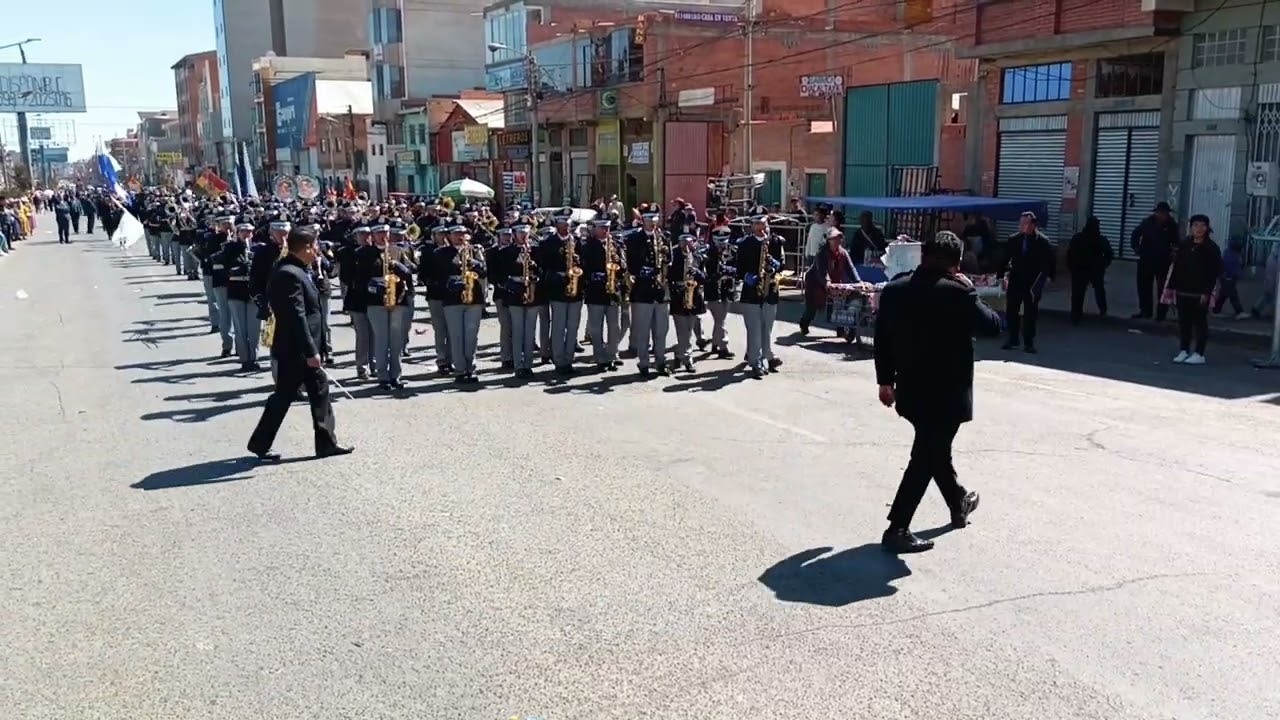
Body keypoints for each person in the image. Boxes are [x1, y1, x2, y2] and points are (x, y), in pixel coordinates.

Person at [873, 231, 1004, 553]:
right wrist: (971, 291)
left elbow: (883, 339)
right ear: (957, 263)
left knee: (934, 450)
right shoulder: (958, 293)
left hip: (911, 392)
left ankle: (959, 502)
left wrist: (885, 381)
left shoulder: (895, 289)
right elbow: (993, 326)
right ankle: (897, 528)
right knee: (925, 457)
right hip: (947, 395)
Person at [247, 230, 353, 462]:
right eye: (314, 246)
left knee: (318, 391)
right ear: (304, 247)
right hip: (295, 349)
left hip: (302, 347)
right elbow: (296, 316)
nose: (317, 250)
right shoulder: (288, 274)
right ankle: (260, 444)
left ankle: (326, 442)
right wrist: (311, 351)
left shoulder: (298, 270)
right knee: (283, 396)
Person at [1166, 214, 1223, 365]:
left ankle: (1199, 353)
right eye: (1196, 225)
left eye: (1202, 226)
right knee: (1183, 322)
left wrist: (1207, 292)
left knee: (1199, 322)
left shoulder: (1211, 248)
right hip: (1182, 290)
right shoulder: (1184, 244)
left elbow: (1213, 272)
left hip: (1200, 292)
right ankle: (1183, 350)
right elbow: (1176, 267)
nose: (1199, 229)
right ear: (1191, 227)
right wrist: (1171, 288)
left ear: (1207, 228)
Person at [999, 211, 1055, 353]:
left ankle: (1029, 342)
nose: (1022, 226)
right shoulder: (1014, 239)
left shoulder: (1042, 242)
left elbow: (1048, 264)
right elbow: (1004, 259)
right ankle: (1013, 338)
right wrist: (1001, 276)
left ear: (1033, 225)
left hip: (1032, 283)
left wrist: (1046, 279)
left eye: (1025, 223)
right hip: (1016, 280)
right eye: (1021, 223)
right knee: (1012, 310)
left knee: (1030, 313)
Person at [799, 227, 858, 335]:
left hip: (833, 281)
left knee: (838, 304)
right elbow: (822, 271)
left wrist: (858, 282)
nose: (837, 241)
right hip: (815, 281)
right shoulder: (821, 253)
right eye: (834, 239)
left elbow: (850, 268)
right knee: (812, 306)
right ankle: (804, 323)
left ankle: (840, 329)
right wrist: (827, 283)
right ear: (828, 241)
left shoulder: (843, 253)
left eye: (839, 238)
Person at [1130, 201, 1180, 321]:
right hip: (1146, 259)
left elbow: (1176, 242)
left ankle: (1161, 314)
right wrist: (1136, 248)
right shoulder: (1147, 223)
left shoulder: (1172, 226)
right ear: (1156, 213)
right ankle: (1145, 311)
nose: (1163, 215)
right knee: (1143, 286)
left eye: (1165, 213)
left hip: (1163, 261)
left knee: (1163, 288)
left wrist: (1175, 253)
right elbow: (1135, 235)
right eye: (1160, 213)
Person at [1065, 215, 1112, 324]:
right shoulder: (1100, 239)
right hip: (1094, 270)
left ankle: (1076, 315)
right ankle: (1103, 311)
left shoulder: (1078, 238)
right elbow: (1109, 254)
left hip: (1080, 270)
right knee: (1099, 291)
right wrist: (1104, 265)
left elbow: (1070, 254)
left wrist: (1071, 267)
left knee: (1078, 293)